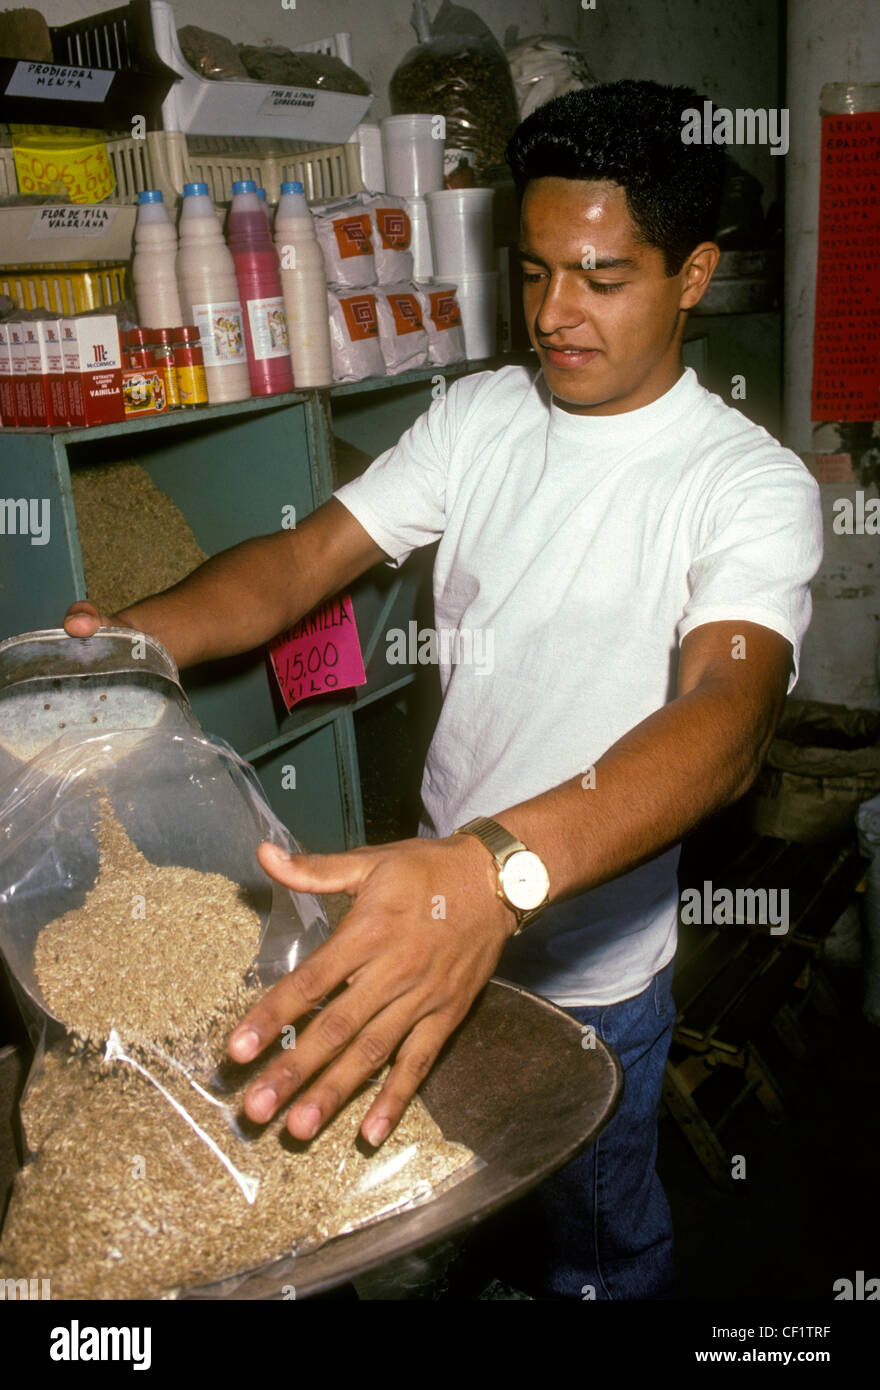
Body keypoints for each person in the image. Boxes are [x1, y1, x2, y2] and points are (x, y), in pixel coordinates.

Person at [64, 80, 823, 1300]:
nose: (553, 316)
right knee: (404, 1209)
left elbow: (721, 724)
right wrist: (130, 642)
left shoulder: (748, 484)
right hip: (424, 924)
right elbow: (304, 559)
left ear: (691, 274)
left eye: (600, 277)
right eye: (532, 273)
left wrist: (495, 870)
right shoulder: (480, 417)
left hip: (583, 971)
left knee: (596, 1249)